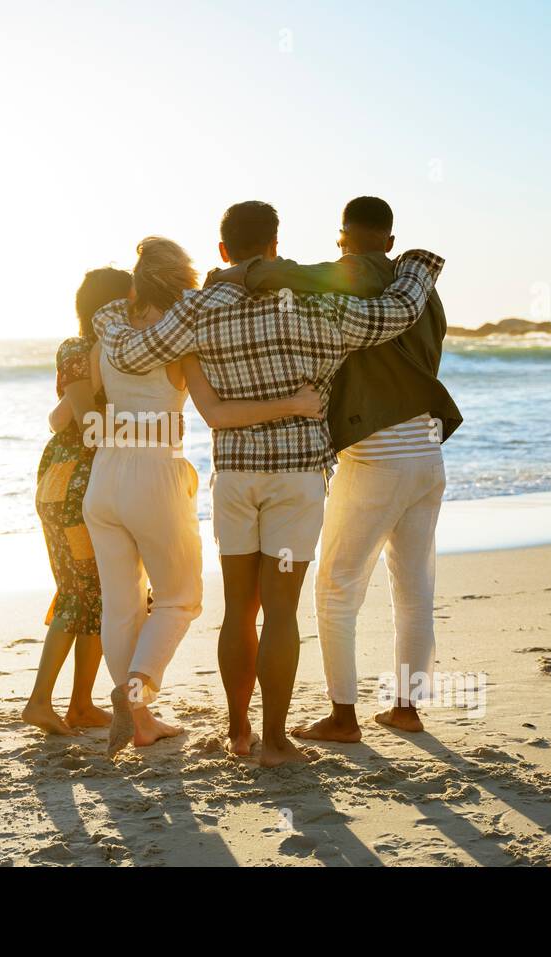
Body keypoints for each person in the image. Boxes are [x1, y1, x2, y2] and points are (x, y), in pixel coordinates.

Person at [94, 202, 443, 766]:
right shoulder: (315, 302)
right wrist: (419, 264)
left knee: (238, 610)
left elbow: (133, 352)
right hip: (297, 479)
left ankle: (238, 734)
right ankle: (276, 742)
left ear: (224, 251)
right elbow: (397, 312)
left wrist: (108, 313)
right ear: (277, 247)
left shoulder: (198, 308)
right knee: (281, 612)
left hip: (235, 477)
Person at [216, 196, 461, 741]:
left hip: (376, 451)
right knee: (415, 585)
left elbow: (286, 273)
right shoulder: (422, 291)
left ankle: (343, 717)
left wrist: (236, 274)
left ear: (342, 238)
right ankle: (406, 707)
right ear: (390, 240)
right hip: (427, 445)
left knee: (336, 588)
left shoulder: (343, 274)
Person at [83, 237, 323, 758]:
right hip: (155, 469)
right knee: (179, 598)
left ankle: (141, 721)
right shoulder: (181, 340)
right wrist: (297, 404)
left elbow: (94, 399)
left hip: (103, 472)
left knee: (121, 605)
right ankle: (135, 692)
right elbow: (217, 415)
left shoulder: (110, 330)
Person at [23, 268, 132, 736]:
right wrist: (148, 430)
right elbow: (86, 420)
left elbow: (61, 416)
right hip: (69, 488)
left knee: (99, 595)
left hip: (90, 483)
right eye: (127, 300)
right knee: (77, 591)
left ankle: (82, 704)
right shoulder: (78, 348)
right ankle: (39, 702)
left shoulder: (118, 351)